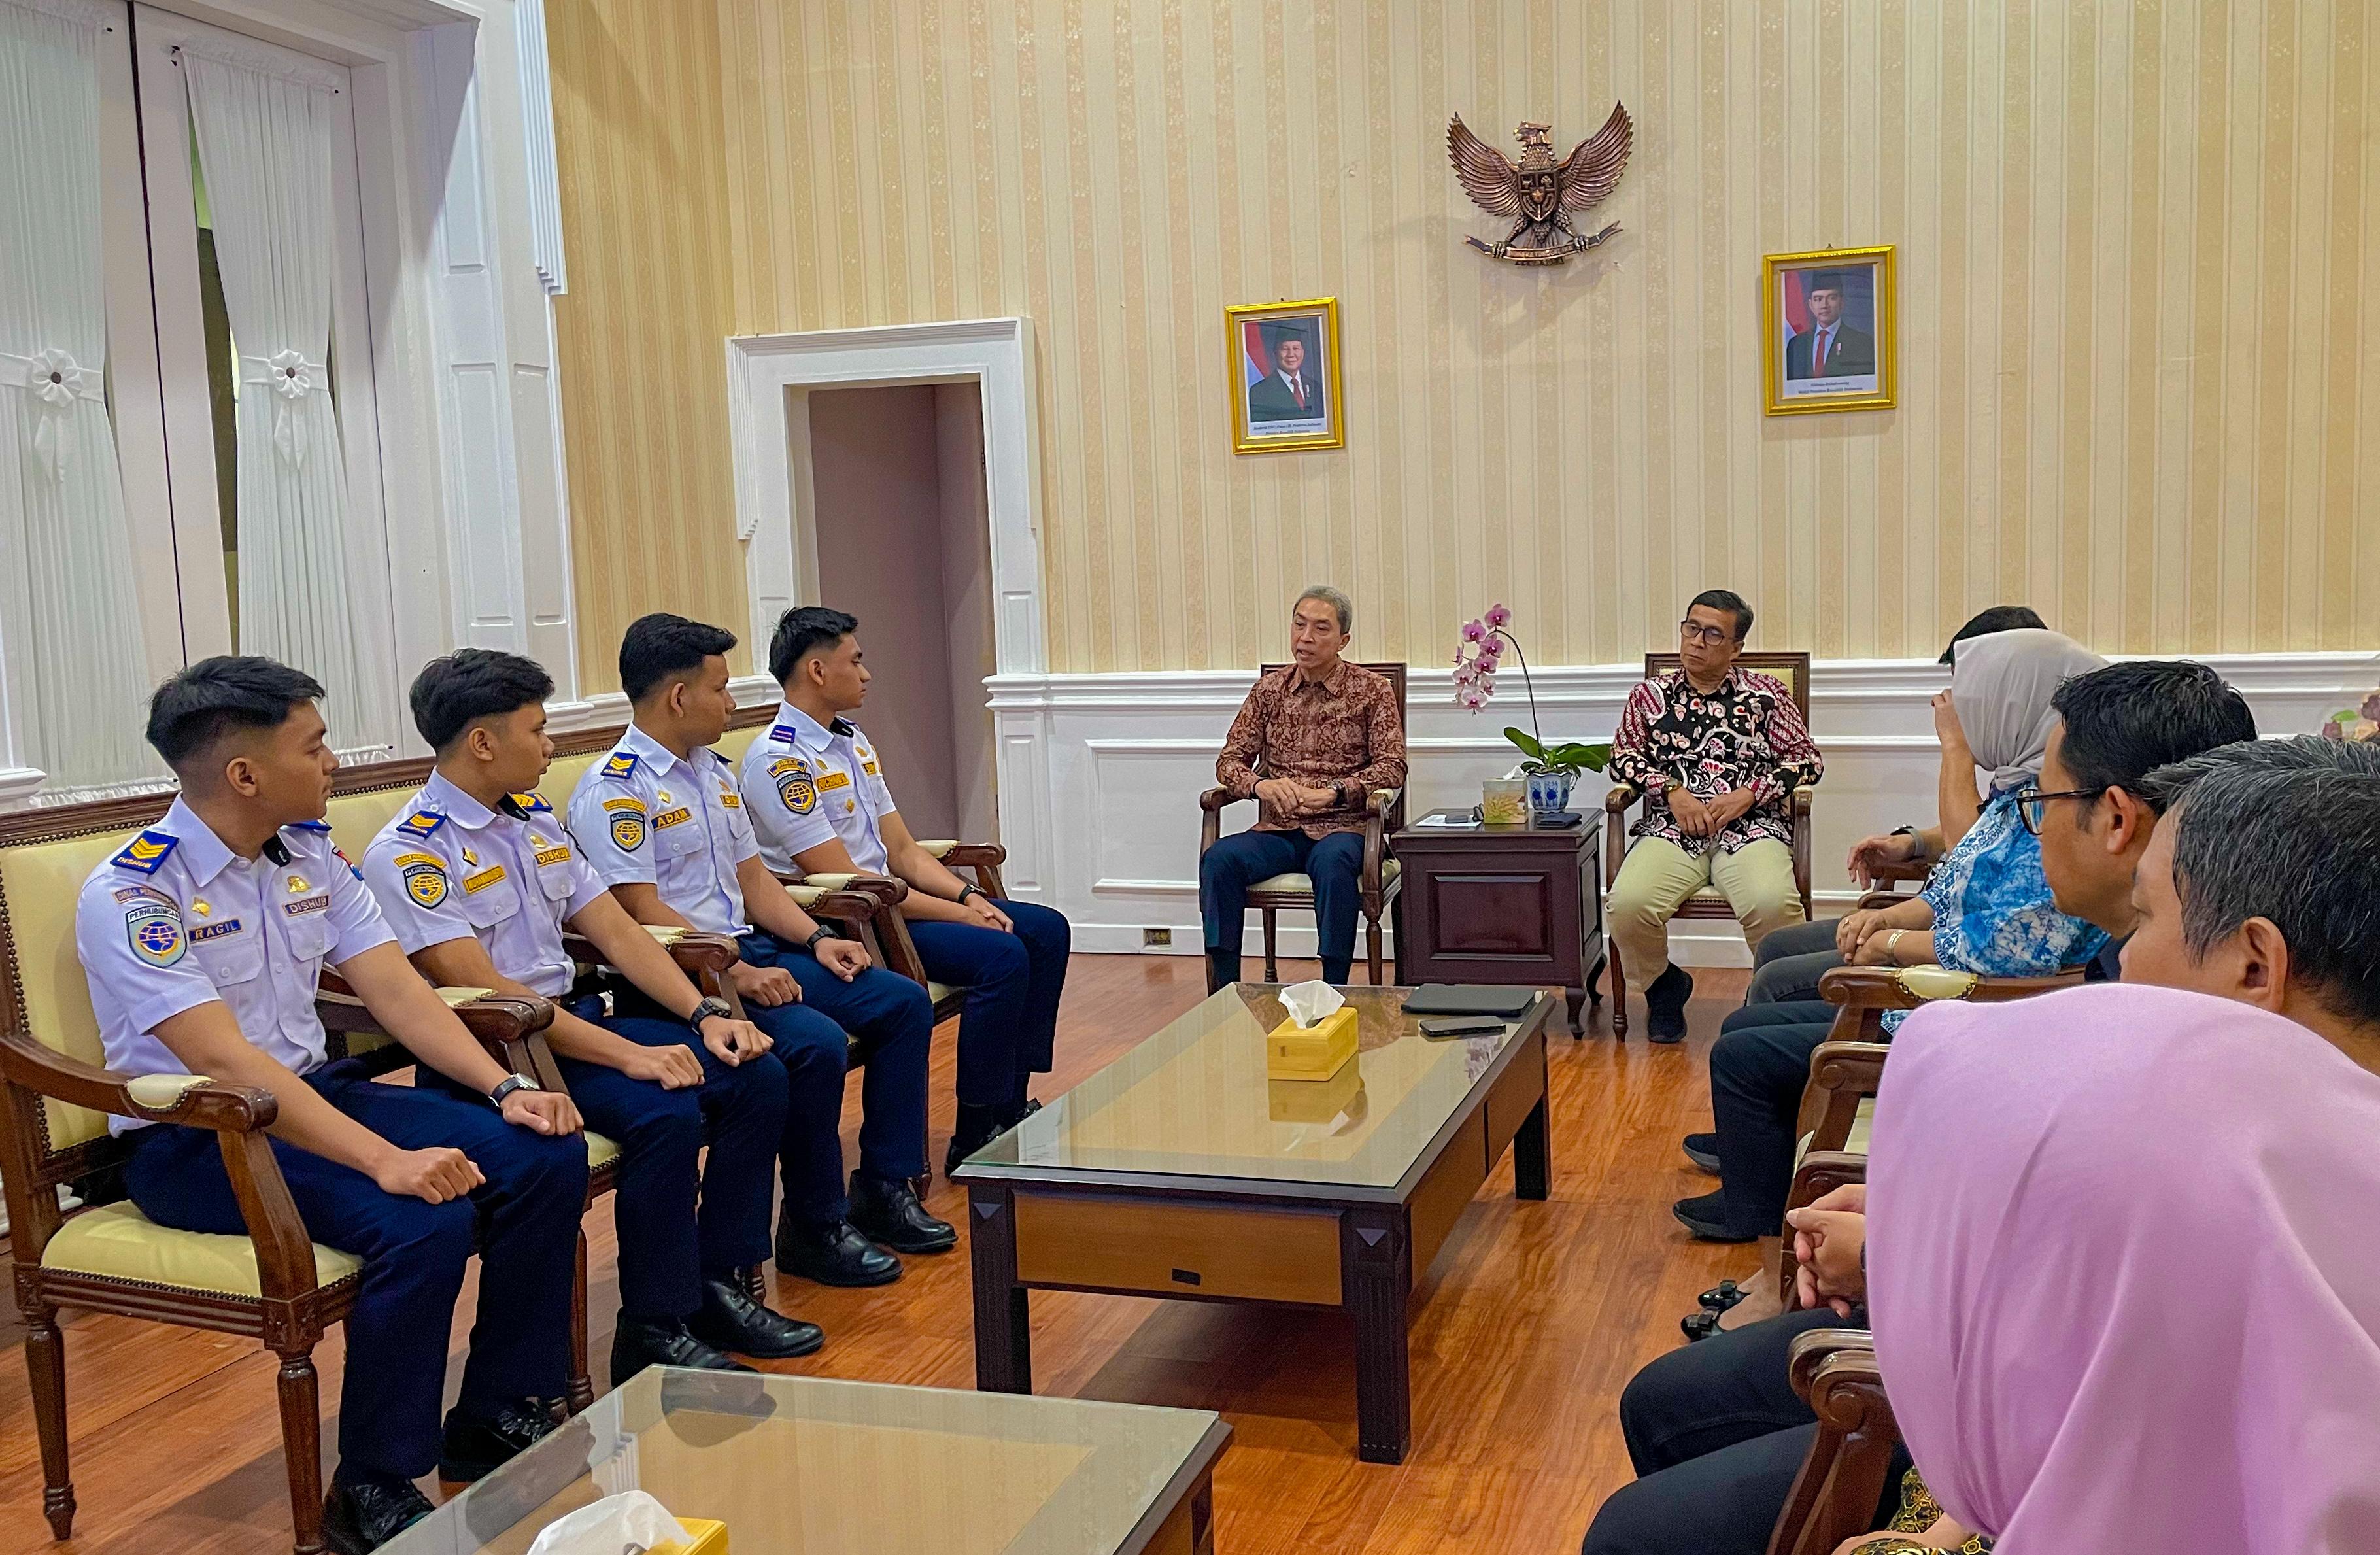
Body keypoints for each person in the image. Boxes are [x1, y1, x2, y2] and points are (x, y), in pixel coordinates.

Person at [1581, 660, 2260, 1555]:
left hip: (1993, 1407)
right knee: (1658, 1401)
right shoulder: (2150, 996)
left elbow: (2094, 1360)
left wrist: (1895, 1253)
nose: (2131, 951)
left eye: (2042, 800)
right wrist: (1905, 1222)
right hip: (1973, 1321)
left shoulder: (2209, 1070)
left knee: (1633, 1527)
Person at [75, 658, 588, 1553]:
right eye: (313, 747)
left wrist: (504, 1087)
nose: (334, 762)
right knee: (419, 1218)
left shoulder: (310, 852)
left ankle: (495, 1407)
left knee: (543, 1152)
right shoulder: (134, 893)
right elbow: (223, 1061)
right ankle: (372, 1484)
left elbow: (397, 991)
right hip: (199, 1139)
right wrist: (386, 1159)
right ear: (245, 773)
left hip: (314, 1098)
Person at [364, 649, 827, 1384]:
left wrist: (706, 1011)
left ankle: (717, 1284)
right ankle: (653, 1324)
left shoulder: (533, 820)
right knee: (663, 1109)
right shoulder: (411, 851)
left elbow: (615, 930)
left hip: (572, 1030)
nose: (551, 746)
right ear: (482, 742)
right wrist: (628, 1054)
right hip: (498, 1053)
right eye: (537, 730)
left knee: (753, 1073)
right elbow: (488, 992)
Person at [1866, 984, 2380, 1551]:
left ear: (2256, 966)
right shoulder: (2278, 1143)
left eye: (2142, 932)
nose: (2125, 975)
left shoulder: (2195, 1145)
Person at [1674, 631, 2119, 1246]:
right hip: (1943, 992)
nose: (1956, 705)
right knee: (1745, 1024)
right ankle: (1759, 1169)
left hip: (1959, 1013)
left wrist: (1886, 946)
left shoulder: (2054, 810)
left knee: (1742, 1047)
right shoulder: (2027, 790)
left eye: (1970, 691)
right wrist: (1889, 919)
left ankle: (1755, 1210)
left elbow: (2000, 944)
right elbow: (1957, 881)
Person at [565, 614, 953, 1292]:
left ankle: (886, 1185)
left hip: (747, 950)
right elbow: (637, 910)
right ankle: (812, 1224)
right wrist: (737, 970)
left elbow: (755, 881)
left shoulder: (712, 773)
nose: (732, 704)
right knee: (812, 1044)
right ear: (679, 697)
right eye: (720, 689)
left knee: (897, 1001)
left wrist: (818, 938)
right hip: (677, 975)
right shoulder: (616, 789)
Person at [740, 606, 1072, 1172]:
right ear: (817, 671)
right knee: (1002, 955)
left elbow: (903, 850)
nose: (866, 674)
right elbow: (853, 882)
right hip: (853, 919)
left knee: (1046, 930)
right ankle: (976, 1130)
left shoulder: (852, 740)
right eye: (856, 661)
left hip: (895, 901)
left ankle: (1009, 1104)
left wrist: (968, 898)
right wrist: (962, 916)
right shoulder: (780, 761)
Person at [1746, 606, 2048, 1008]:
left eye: (1968, 687)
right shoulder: (2020, 762)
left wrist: (1955, 747)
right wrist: (1913, 842)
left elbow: (1970, 853)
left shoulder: (2049, 782)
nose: (1956, 700)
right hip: (1938, 911)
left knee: (1774, 984)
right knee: (1775, 947)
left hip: (1957, 941)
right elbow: (1991, 829)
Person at [1605, 589, 1823, 1040]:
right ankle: (1664, 987)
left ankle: (1770, 999)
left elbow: (1807, 760)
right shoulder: (1649, 695)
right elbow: (1623, 758)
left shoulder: (1766, 694)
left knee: (1773, 904)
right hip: (1673, 829)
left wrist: (1749, 794)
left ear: (1736, 647)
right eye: (1692, 628)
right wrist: (1672, 791)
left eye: (1713, 634)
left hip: (1751, 828)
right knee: (1628, 905)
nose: (1697, 641)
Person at [1199, 585, 1405, 991]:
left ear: (1343, 640)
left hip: (1345, 828)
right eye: (1299, 625)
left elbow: (1393, 766)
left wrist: (1336, 792)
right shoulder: (1269, 691)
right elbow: (1229, 762)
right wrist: (1260, 786)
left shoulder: (1371, 690)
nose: (1306, 637)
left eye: (1320, 628)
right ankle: (1224, 990)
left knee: (1333, 863)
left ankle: (1334, 988)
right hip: (1279, 830)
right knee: (1220, 859)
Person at [1783, 272, 1875, 379]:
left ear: (1842, 302)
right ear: (1811, 305)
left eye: (1832, 298)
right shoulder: (1796, 345)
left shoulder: (1862, 343)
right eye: (1818, 299)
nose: (1824, 305)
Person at [1246, 328, 1327, 422]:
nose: (1291, 354)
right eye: (1285, 349)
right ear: (1275, 353)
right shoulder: (1260, 391)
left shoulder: (1315, 387)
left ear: (1303, 352)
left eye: (1296, 348)